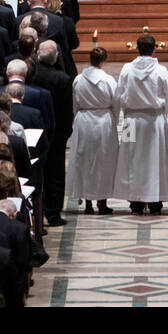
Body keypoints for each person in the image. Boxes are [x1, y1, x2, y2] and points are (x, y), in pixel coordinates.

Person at [112, 34, 168, 214]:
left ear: (137, 48)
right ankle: (155, 201)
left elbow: (120, 94)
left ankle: (135, 201)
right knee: (156, 159)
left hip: (130, 120)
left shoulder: (126, 69)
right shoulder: (161, 70)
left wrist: (129, 108)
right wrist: (161, 112)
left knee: (130, 159)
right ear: (154, 48)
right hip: (154, 120)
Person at [68, 46, 119, 215]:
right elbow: (116, 103)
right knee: (103, 161)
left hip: (84, 120)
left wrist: (79, 117)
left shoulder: (79, 79)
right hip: (103, 121)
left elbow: (74, 103)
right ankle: (101, 202)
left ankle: (88, 203)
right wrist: (114, 120)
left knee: (84, 159)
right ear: (104, 61)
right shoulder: (108, 80)